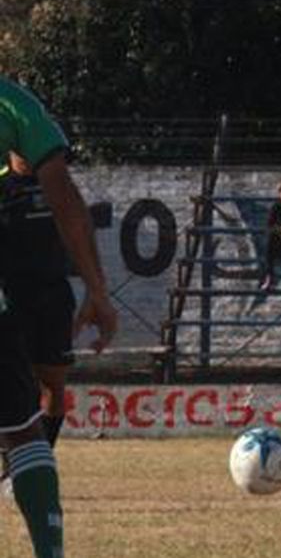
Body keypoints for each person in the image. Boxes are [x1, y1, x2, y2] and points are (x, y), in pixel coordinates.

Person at [0, 74, 119, 558]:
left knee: (43, 398)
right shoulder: (12, 103)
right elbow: (64, 194)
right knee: (20, 426)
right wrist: (98, 288)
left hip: (38, 287)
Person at [0, 153, 76, 497]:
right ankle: (13, 467)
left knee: (54, 390)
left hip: (53, 296)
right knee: (17, 388)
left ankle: (40, 462)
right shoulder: (4, 184)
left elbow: (77, 226)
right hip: (12, 296)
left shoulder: (58, 183)